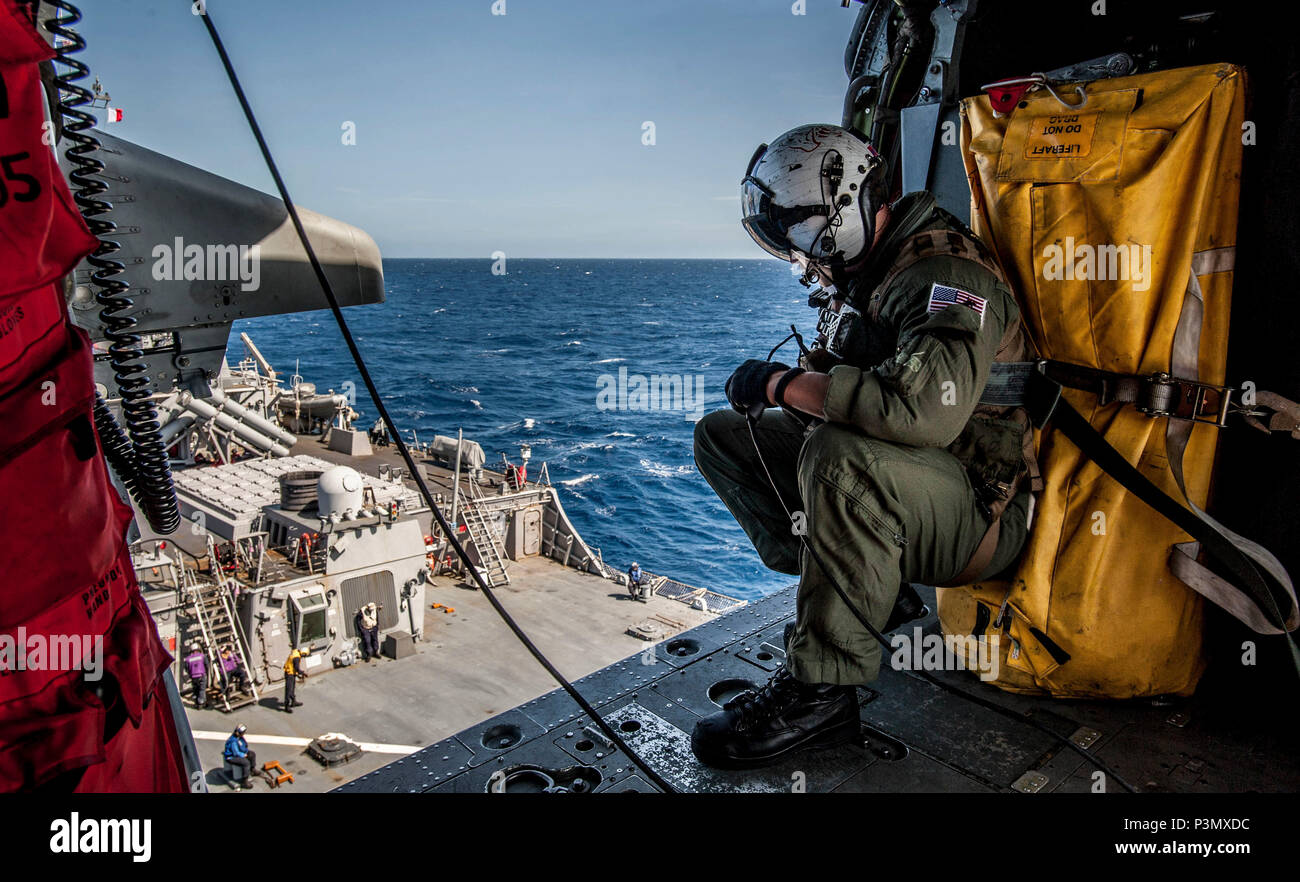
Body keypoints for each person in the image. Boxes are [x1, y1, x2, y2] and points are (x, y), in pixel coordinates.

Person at [690, 124, 1037, 768]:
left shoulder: (945, 277)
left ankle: (825, 688)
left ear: (844, 210)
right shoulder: (876, 269)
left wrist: (783, 383)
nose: (798, 256)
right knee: (723, 438)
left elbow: (921, 411)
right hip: (920, 494)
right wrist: (792, 388)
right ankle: (874, 592)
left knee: (836, 458)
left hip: (979, 513)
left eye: (798, 235)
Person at [223, 724, 256, 789]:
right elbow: (236, 753)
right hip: (231, 757)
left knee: (252, 754)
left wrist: (247, 753)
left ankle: (252, 770)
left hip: (240, 753)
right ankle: (245, 781)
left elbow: (244, 745)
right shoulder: (233, 741)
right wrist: (244, 755)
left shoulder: (240, 738)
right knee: (246, 763)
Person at [282, 645, 308, 712]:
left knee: (292, 688)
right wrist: (303, 673)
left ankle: (293, 701)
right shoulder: (297, 657)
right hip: (289, 673)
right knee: (289, 690)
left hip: (291, 672)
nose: (303, 657)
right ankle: (286, 706)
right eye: (304, 655)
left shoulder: (295, 651)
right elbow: (297, 668)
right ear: (303, 653)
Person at [182, 642, 207, 709]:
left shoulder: (188, 659)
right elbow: (206, 665)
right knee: (202, 689)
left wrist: (190, 674)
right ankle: (201, 703)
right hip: (201, 675)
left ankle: (196, 702)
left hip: (193, 677)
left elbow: (186, 668)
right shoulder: (202, 656)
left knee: (195, 690)